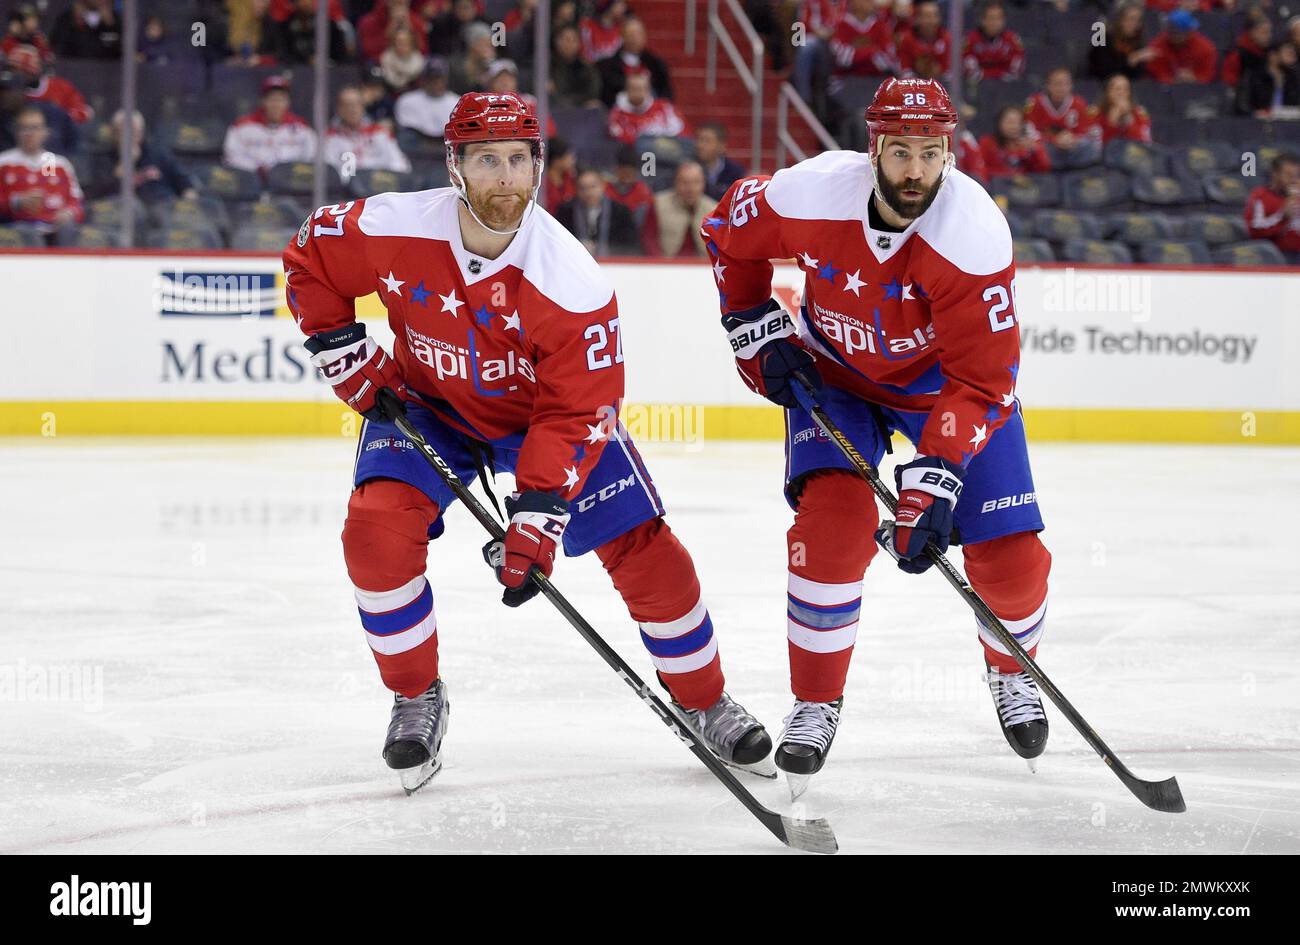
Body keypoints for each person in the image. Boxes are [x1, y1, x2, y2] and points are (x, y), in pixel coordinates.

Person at [280, 92, 774, 792]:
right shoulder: (395, 226)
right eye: (487, 161)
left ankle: (704, 698)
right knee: (373, 532)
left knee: (645, 551)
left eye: (519, 160)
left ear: (539, 166)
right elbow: (312, 255)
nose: (506, 178)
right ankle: (416, 695)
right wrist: (342, 348)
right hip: (429, 405)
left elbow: (580, 410)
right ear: (455, 166)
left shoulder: (570, 281)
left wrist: (540, 507)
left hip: (543, 420)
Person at [702, 78, 1052, 791]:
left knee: (1012, 557)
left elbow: (984, 380)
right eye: (901, 152)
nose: (916, 170)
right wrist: (752, 327)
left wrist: (937, 476)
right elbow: (728, 230)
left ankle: (1013, 670)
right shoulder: (814, 194)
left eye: (931, 152)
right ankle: (815, 700)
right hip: (834, 374)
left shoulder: (973, 234)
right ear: (874, 150)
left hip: (943, 392)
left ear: (949, 150)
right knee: (834, 525)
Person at [0, 105, 83, 244]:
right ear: (16, 132)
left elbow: (77, 202)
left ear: (46, 132)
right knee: (29, 235)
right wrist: (16, 202)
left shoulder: (58, 163)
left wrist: (69, 213)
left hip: (56, 229)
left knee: (70, 231)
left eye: (35, 128)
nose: (29, 133)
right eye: (24, 128)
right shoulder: (4, 162)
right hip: (18, 229)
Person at [87, 109, 199, 204]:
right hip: (120, 218)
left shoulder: (158, 154)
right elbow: (101, 198)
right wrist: (125, 162)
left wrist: (188, 203)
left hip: (160, 212)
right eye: (124, 132)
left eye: (135, 132)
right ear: (114, 134)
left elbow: (186, 185)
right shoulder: (103, 160)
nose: (130, 137)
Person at [222, 74, 317, 178]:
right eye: (272, 99)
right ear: (262, 101)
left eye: (281, 99)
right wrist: (257, 169)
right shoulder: (241, 127)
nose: (276, 104)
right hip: (253, 184)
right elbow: (231, 156)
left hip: (292, 185)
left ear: (288, 102)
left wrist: (288, 171)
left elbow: (312, 157)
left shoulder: (302, 128)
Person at [323, 85, 412, 178]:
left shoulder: (379, 133)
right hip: (345, 190)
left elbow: (400, 165)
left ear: (363, 107)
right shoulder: (329, 138)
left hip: (378, 187)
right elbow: (328, 172)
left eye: (357, 104)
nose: (353, 110)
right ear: (339, 109)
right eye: (348, 105)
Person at [1023, 67, 1100, 170]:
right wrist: (1054, 139)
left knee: (1090, 146)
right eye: (1057, 84)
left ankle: (1075, 170)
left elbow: (1091, 131)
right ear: (1048, 86)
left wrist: (1072, 139)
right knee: (1031, 147)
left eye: (1066, 84)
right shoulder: (1034, 102)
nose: (1061, 88)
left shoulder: (1079, 103)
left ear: (1071, 86)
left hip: (1071, 147)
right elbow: (1029, 131)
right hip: (1048, 147)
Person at [555, 166, 641, 256]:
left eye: (592, 187)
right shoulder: (566, 211)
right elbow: (558, 242)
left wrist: (609, 250)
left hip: (614, 265)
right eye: (582, 188)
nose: (588, 192)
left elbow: (632, 246)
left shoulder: (621, 212)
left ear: (602, 185)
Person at [5, 43, 93, 124]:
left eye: (19, 70)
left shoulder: (60, 87)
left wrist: (60, 118)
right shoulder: (7, 91)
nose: (15, 75)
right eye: (12, 70)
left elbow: (85, 112)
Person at [596, 16, 673, 107]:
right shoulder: (607, 66)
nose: (634, 38)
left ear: (644, 36)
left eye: (638, 34)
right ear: (622, 37)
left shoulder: (655, 63)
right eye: (630, 34)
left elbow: (666, 92)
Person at [607, 69, 688, 146]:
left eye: (641, 88)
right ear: (626, 89)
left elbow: (682, 132)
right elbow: (617, 139)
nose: (638, 93)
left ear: (648, 89)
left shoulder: (665, 108)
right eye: (634, 88)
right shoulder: (617, 115)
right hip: (634, 157)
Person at [1244, 151, 1300, 262]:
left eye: (1296, 176)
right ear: (1275, 174)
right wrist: (1282, 217)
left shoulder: (1297, 195)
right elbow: (1255, 231)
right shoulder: (1260, 196)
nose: (1293, 180)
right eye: (1288, 175)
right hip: (1275, 256)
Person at [651, 160, 709, 257]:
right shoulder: (657, 205)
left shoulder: (715, 210)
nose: (690, 189)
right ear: (676, 183)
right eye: (685, 182)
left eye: (696, 182)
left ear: (703, 184)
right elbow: (650, 241)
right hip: (666, 267)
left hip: (704, 269)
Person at [395, 57, 458, 143]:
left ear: (446, 79)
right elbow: (409, 132)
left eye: (439, 78)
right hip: (417, 150)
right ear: (424, 79)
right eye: (432, 78)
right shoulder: (407, 100)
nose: (436, 82)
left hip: (447, 149)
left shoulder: (457, 102)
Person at [829, 0, 898, 78]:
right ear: (853, 2)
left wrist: (856, 51)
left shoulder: (880, 25)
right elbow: (842, 60)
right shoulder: (841, 25)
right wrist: (872, 51)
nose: (872, 3)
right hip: (846, 79)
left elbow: (889, 61)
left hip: (876, 79)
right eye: (866, 1)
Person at [1087, 1, 1154, 81]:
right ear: (1120, 20)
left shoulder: (1138, 41)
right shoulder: (1102, 38)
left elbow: (1137, 75)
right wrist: (1130, 61)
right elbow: (1103, 71)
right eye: (1131, 19)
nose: (1135, 24)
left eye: (1138, 20)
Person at [1146, 10, 1218, 84]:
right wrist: (1172, 80)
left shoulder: (1206, 48)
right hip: (1163, 88)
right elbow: (1155, 72)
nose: (1173, 35)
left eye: (1179, 33)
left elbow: (1207, 75)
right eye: (1171, 32)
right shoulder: (1157, 46)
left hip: (1197, 88)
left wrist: (1194, 78)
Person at [979, 105, 1050, 178]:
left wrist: (1035, 150)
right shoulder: (987, 143)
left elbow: (1043, 169)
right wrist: (1010, 176)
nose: (1013, 126)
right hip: (995, 185)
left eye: (1017, 123)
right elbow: (981, 169)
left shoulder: (1028, 145)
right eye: (1009, 122)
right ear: (999, 123)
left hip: (1024, 187)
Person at [962, 1, 1024, 82]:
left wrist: (995, 76)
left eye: (999, 18)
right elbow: (969, 70)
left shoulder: (1012, 40)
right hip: (977, 87)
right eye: (991, 18)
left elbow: (1015, 70)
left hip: (1007, 88)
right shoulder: (970, 40)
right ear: (982, 20)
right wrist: (994, 75)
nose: (995, 23)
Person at [1089, 73, 1152, 145]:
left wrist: (1129, 119)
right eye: (1117, 89)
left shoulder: (1139, 112)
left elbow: (1145, 143)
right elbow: (1094, 144)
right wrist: (1111, 123)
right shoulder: (1094, 113)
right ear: (1108, 92)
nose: (1122, 93)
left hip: (1131, 154)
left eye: (1126, 89)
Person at [549, 23, 602, 108]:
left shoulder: (587, 68)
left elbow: (592, 94)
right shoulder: (548, 66)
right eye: (565, 39)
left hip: (581, 111)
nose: (568, 44)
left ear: (579, 43)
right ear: (556, 41)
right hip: (554, 111)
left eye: (572, 40)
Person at [896, 0, 951, 80]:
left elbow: (949, 74)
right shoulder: (908, 39)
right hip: (914, 88)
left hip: (942, 87)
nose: (932, 21)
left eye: (935, 16)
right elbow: (905, 71)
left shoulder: (946, 39)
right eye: (928, 16)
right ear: (918, 18)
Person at [50, 0, 121, 60]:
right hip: (73, 73)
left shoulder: (118, 22)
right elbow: (58, 53)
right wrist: (76, 27)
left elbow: (123, 56)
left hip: (110, 74)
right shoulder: (66, 19)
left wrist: (110, 27)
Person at [695, 122, 745, 202]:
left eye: (707, 141)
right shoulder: (688, 170)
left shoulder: (735, 172)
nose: (700, 145)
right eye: (699, 139)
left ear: (722, 146)